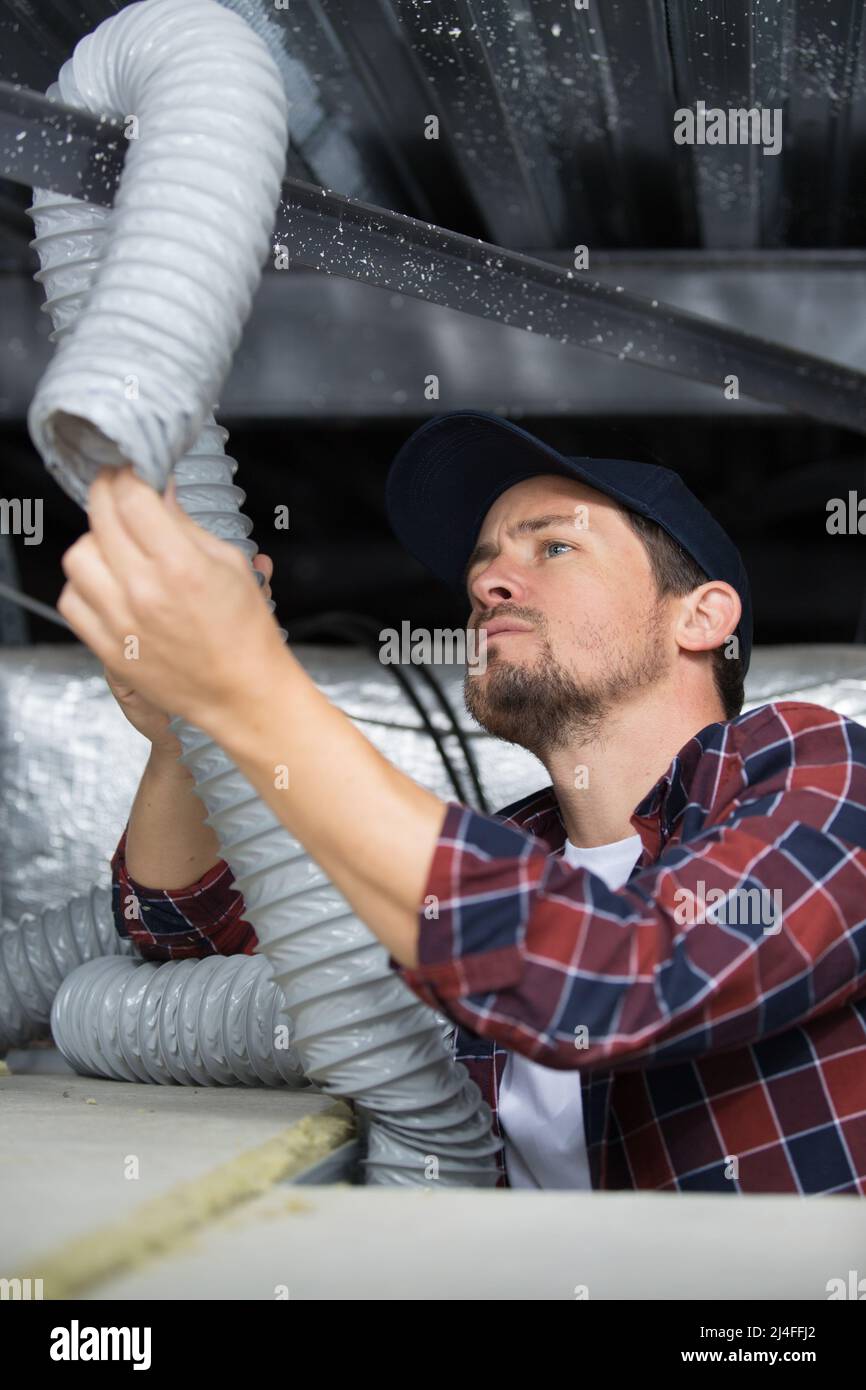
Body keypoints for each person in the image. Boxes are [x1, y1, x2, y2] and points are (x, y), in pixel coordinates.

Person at [59, 411, 866, 1195]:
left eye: (555, 545)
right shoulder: (509, 853)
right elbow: (202, 942)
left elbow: (619, 977)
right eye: (483, 564)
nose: (485, 583)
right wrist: (186, 738)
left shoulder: (822, 771)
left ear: (701, 616)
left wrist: (251, 692)